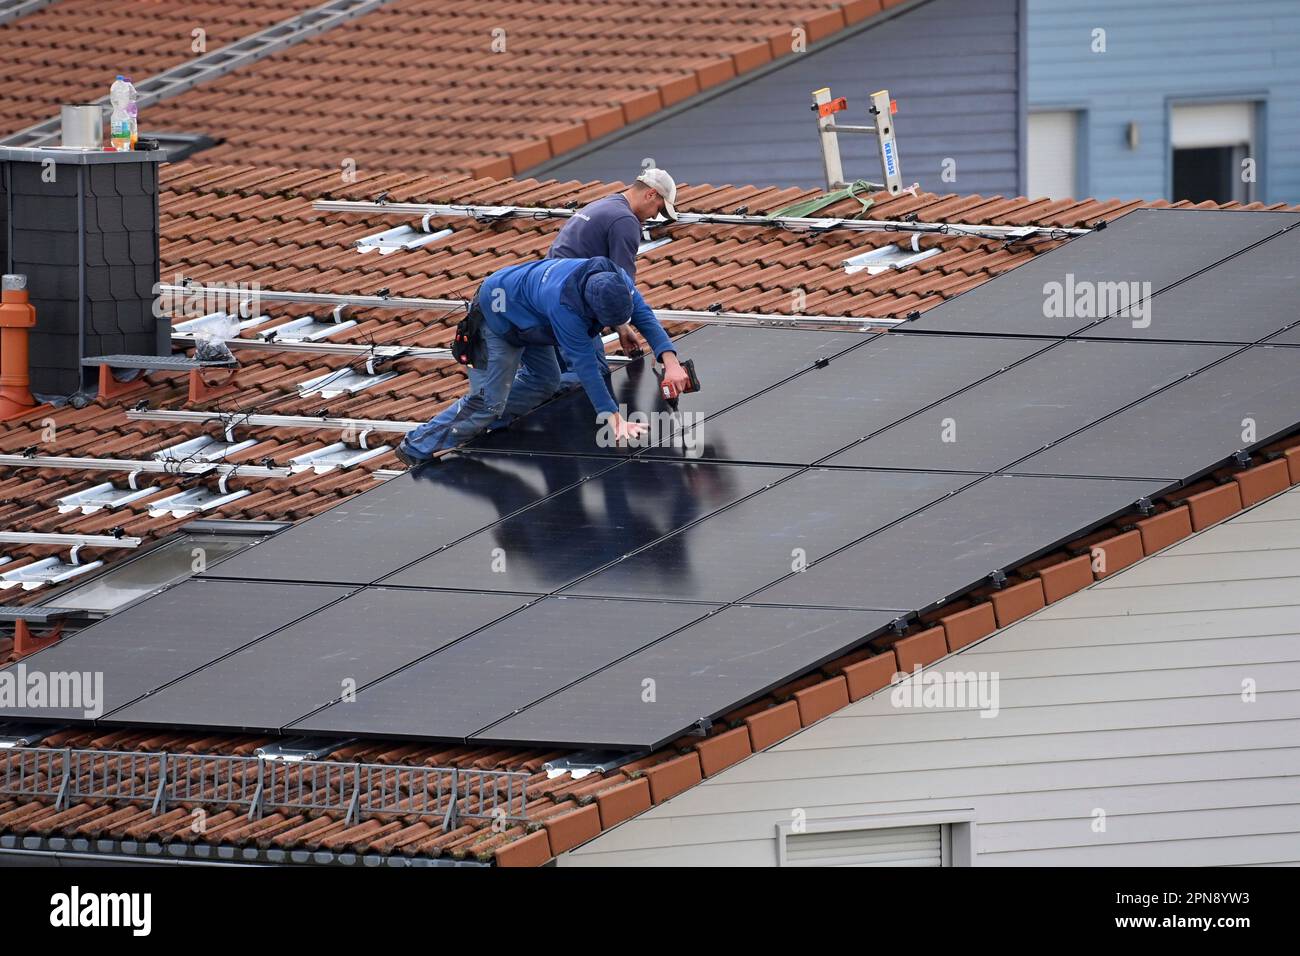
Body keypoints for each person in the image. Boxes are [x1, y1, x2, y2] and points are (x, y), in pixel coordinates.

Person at [395, 255, 690, 466]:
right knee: (486, 401)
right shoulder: (565, 307)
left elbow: (645, 318)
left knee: (545, 381)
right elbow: (586, 366)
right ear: (591, 308)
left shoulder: (616, 281)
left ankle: (491, 421)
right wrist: (613, 417)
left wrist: (671, 362)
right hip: (497, 320)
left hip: (531, 319)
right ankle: (418, 445)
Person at [547, 167, 677, 367]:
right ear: (651, 194)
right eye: (658, 210)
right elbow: (622, 289)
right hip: (570, 307)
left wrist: (622, 328)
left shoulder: (605, 204)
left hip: (547, 298)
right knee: (590, 377)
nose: (653, 217)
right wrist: (663, 349)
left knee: (549, 381)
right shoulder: (625, 220)